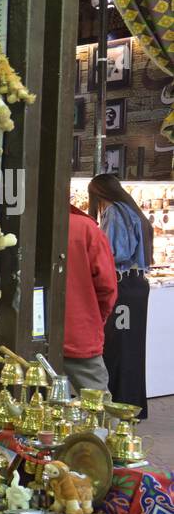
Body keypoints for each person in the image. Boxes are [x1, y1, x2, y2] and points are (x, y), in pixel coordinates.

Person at [92, 174, 154, 419]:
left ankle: (118, 405)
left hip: (122, 287)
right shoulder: (132, 211)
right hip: (137, 287)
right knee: (132, 349)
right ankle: (132, 405)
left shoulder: (114, 212)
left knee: (115, 348)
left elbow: (114, 252)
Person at [64, 203, 118, 396]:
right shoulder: (85, 228)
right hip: (79, 331)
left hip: (27, 334)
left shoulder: (20, 223)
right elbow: (107, 287)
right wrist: (96, 319)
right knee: (98, 405)